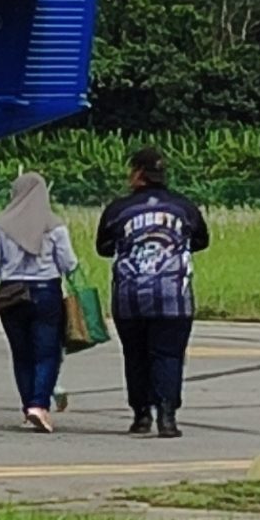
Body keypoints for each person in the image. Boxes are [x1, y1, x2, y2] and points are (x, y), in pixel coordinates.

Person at [94, 147, 208, 438]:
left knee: (135, 354)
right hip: (173, 297)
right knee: (168, 355)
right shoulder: (184, 207)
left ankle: (141, 415)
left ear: (138, 174)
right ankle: (167, 416)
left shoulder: (118, 209)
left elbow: (104, 248)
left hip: (129, 297)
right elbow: (201, 240)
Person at [0, 171, 80, 432]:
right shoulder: (54, 225)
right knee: (47, 352)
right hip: (46, 292)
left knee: (22, 355)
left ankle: (28, 406)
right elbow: (69, 263)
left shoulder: (0, 226)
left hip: (11, 294)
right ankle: (39, 404)